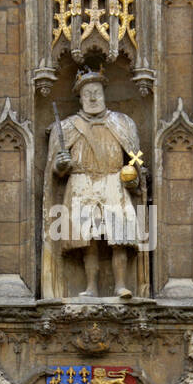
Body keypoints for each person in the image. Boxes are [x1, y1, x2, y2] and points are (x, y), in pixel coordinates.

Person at [41, 67, 148, 299]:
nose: (92, 97)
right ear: (79, 96)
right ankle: (91, 287)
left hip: (114, 181)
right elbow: (55, 171)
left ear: (104, 93)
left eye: (96, 91)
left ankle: (120, 285)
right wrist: (61, 164)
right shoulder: (68, 126)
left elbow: (136, 157)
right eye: (87, 92)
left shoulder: (123, 122)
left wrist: (134, 177)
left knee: (119, 237)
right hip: (82, 184)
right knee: (88, 239)